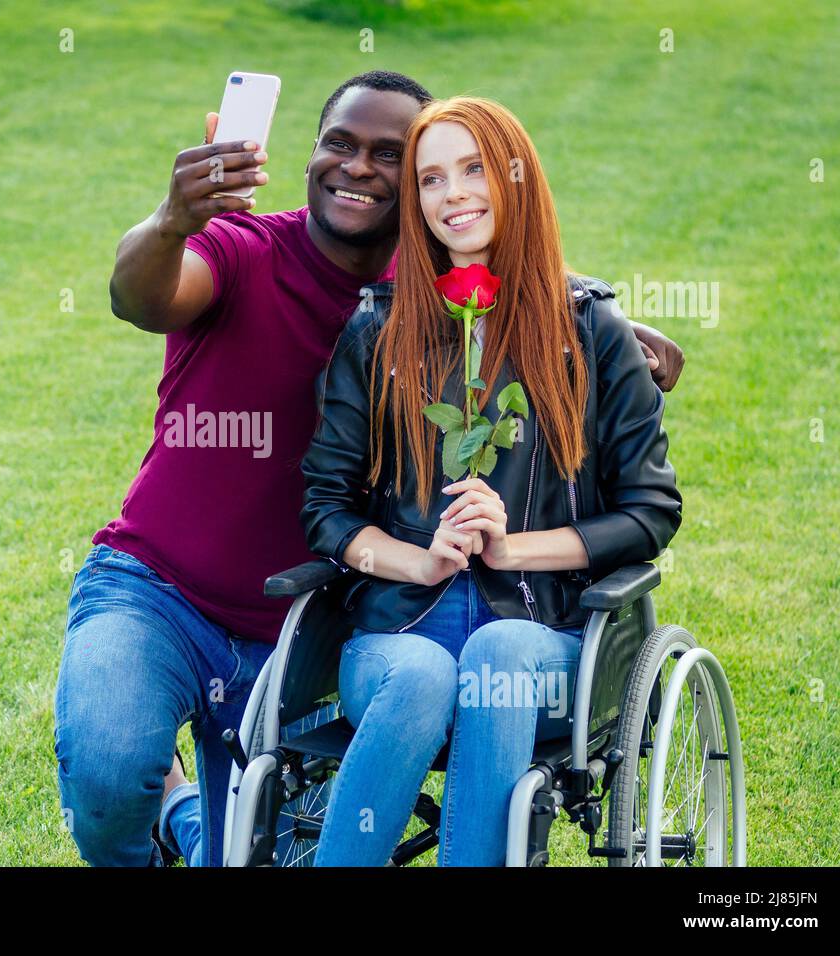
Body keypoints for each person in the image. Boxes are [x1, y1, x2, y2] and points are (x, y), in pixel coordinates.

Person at [55, 72, 684, 868]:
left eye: (393, 156)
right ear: (311, 154)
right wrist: (174, 220)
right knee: (112, 778)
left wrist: (602, 320)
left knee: (244, 851)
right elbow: (138, 298)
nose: (358, 167)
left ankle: (189, 820)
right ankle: (155, 825)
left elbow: (505, 274)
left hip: (300, 636)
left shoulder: (437, 306)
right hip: (163, 592)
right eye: (340, 145)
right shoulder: (249, 256)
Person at [298, 96, 683, 866]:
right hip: (398, 632)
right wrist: (420, 560)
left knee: (500, 651)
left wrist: (513, 549)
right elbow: (325, 506)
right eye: (432, 179)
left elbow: (652, 511)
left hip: (548, 636)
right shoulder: (379, 331)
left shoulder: (591, 329)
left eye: (475, 169)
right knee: (421, 671)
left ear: (518, 179)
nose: (455, 194)